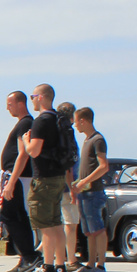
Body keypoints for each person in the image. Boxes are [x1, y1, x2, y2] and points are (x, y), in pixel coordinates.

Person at [12, 83, 72, 272]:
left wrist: (28, 141)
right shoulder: (58, 119)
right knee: (56, 223)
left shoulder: (41, 121)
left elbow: (34, 151)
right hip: (58, 177)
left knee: (44, 224)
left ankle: (47, 265)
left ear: (40, 97)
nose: (32, 100)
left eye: (33, 96)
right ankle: (61, 265)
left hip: (44, 178)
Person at [0, 91, 39, 272]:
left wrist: (12, 181)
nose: (7, 107)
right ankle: (25, 256)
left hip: (19, 178)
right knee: (16, 217)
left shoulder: (25, 123)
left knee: (11, 215)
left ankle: (30, 255)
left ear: (21, 103)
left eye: (10, 104)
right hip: (15, 177)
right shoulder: (22, 124)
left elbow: (23, 154)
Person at [70, 107, 110, 272]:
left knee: (98, 229)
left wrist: (85, 181)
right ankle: (91, 262)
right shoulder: (87, 140)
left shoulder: (97, 140)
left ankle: (101, 265)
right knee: (89, 231)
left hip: (94, 192)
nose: (75, 125)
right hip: (84, 193)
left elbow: (103, 166)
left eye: (76, 121)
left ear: (83, 121)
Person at [55, 102, 80, 263]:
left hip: (56, 184)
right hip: (66, 185)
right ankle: (70, 259)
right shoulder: (67, 133)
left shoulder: (54, 133)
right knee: (71, 223)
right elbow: (68, 164)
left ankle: (54, 254)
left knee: (58, 223)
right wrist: (71, 187)